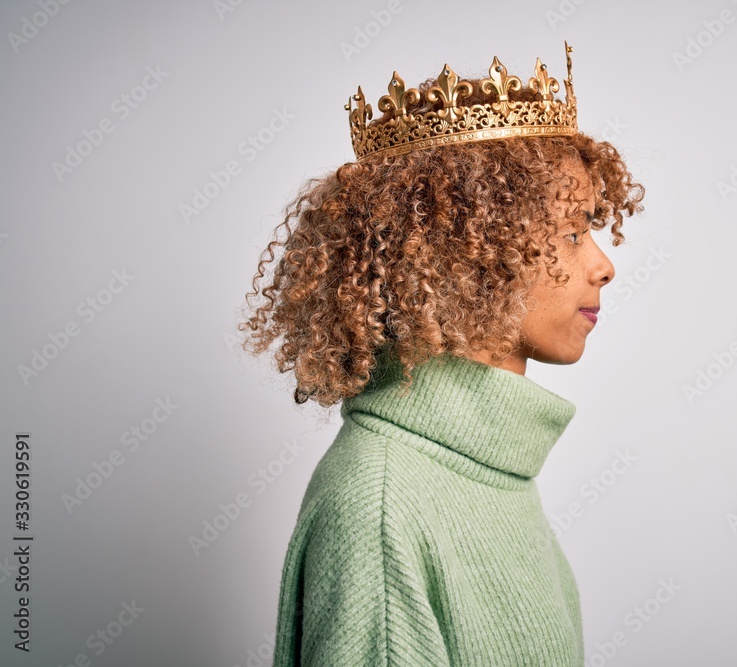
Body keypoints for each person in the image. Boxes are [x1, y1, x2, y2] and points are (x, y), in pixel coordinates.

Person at [239, 41, 645, 666]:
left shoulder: (488, 467)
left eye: (592, 229)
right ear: (471, 256)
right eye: (570, 234)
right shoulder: (381, 506)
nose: (603, 264)